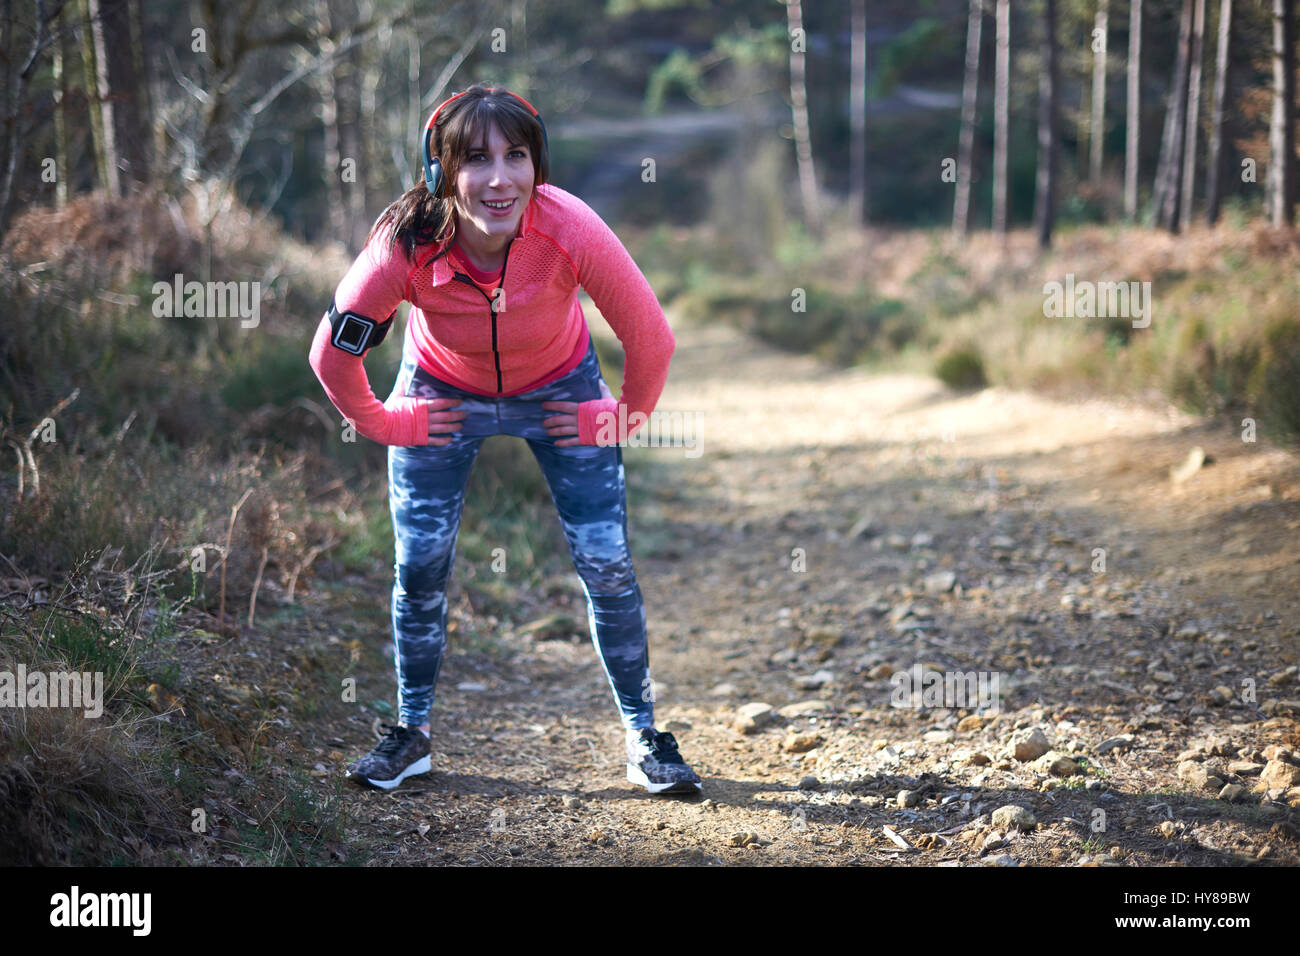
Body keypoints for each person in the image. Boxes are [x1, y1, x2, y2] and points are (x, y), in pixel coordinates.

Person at [307, 83, 702, 795]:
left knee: (607, 565)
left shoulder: (569, 227)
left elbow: (651, 338)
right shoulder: (406, 244)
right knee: (419, 566)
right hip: (440, 385)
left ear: (537, 165)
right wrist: (386, 422)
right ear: (441, 172)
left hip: (558, 383)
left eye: (516, 156)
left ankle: (646, 736)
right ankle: (411, 733)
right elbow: (331, 355)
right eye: (476, 160)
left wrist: (618, 416)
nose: (499, 179)